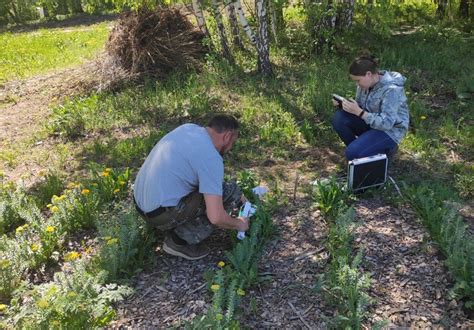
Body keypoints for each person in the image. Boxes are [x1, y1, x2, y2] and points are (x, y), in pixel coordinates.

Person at [133, 114, 249, 260]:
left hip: (141, 205)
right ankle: (178, 241)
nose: (231, 148)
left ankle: (166, 225)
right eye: (233, 142)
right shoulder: (211, 157)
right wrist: (239, 224)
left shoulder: (188, 129)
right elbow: (216, 217)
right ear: (227, 136)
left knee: (218, 189)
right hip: (160, 215)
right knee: (228, 192)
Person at [331, 55, 409, 161]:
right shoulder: (364, 85)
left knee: (352, 153)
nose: (357, 84)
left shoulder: (391, 90)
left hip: (389, 131)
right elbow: (360, 107)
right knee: (339, 118)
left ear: (368, 74)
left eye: (358, 80)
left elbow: (387, 123)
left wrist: (359, 112)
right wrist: (344, 105)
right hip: (371, 124)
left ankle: (384, 151)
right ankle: (364, 152)